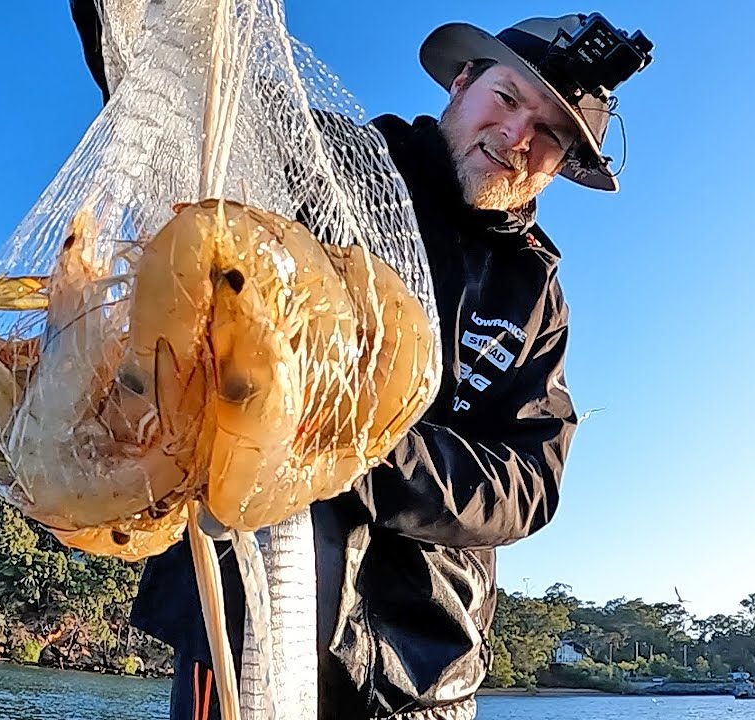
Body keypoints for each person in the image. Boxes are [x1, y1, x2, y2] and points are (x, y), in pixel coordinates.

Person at [66, 5, 653, 718]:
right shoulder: (336, 167)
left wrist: (364, 447)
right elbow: (188, 84)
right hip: (248, 614)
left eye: (550, 136)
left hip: (422, 667)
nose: (515, 138)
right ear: (461, 83)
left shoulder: (535, 292)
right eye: (506, 99)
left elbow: (529, 481)